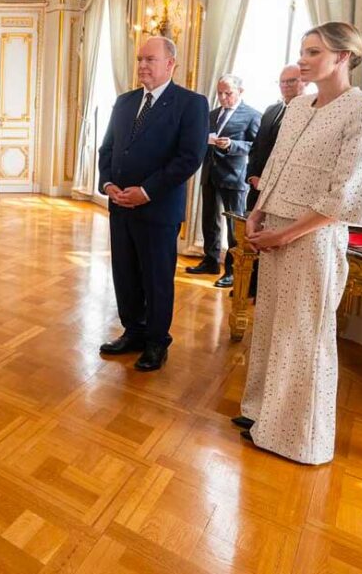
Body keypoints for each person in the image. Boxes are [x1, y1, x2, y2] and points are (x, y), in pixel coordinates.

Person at [236, 22, 362, 465]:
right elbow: (276, 164)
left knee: (304, 334)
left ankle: (299, 437)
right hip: (274, 228)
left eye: (314, 52)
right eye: (303, 50)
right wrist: (259, 212)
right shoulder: (300, 107)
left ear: (344, 57)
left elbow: (348, 194)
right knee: (270, 327)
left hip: (314, 237)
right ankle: (261, 415)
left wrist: (285, 233)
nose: (303, 59)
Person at [97, 36, 208, 371]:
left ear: (170, 64)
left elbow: (189, 158)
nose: (142, 66)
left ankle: (157, 341)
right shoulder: (125, 101)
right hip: (120, 206)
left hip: (157, 209)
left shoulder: (191, 104)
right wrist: (108, 184)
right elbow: (108, 150)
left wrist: (145, 191)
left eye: (150, 60)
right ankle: (134, 331)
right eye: (140, 59)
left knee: (156, 277)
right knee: (125, 273)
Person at [185, 74, 260, 288]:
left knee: (234, 226)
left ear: (240, 92)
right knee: (209, 221)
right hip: (209, 173)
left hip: (235, 177)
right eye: (220, 93)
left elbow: (255, 147)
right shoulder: (211, 114)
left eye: (228, 93)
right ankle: (210, 261)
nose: (223, 97)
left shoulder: (253, 115)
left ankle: (232, 271)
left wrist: (232, 145)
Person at [245, 64, 305, 212]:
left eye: (291, 81)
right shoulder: (271, 110)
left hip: (286, 191)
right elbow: (256, 146)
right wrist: (253, 176)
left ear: (305, 81)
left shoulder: (312, 112)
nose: (285, 85)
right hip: (258, 187)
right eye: (282, 81)